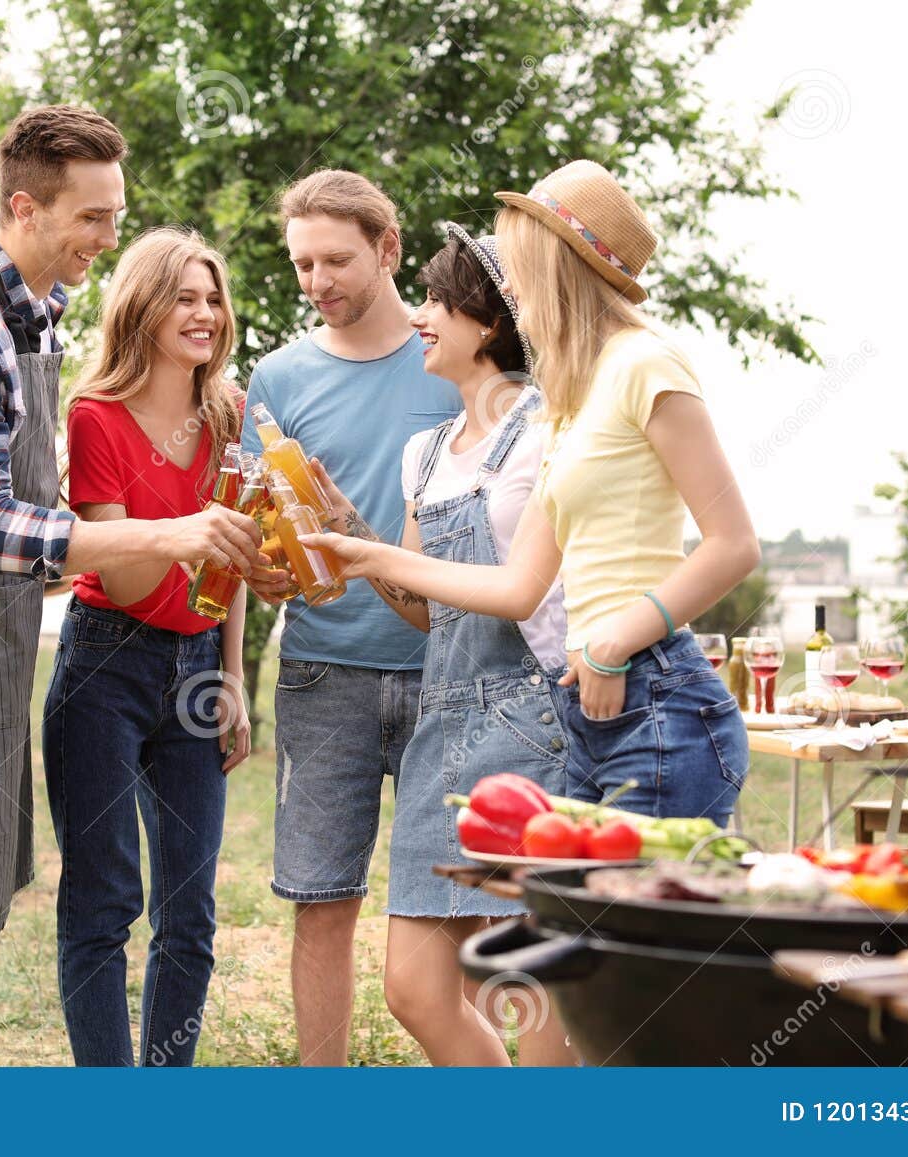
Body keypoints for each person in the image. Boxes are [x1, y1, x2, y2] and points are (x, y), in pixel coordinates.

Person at [0, 107, 260, 1068]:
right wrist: (170, 532)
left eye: (116, 215)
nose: (109, 239)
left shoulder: (33, 305)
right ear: (24, 208)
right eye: (91, 219)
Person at [307, 160, 759, 825]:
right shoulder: (572, 399)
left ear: (555, 265)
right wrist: (368, 554)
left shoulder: (645, 362)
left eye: (518, 263)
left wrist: (611, 642)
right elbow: (517, 587)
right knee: (566, 893)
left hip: (658, 699)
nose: (509, 284)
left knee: (634, 898)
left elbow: (733, 544)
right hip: (586, 708)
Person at [310, 225, 574, 1065]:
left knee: (531, 987)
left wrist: (375, 555)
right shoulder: (422, 456)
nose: (419, 317)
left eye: (435, 300)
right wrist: (349, 531)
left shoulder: (549, 432)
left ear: (488, 321)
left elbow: (519, 590)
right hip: (444, 725)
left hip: (533, 724)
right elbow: (427, 609)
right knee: (416, 987)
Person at [238, 170, 460, 1065]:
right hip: (323, 674)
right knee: (321, 903)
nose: (316, 281)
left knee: (463, 907)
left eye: (335, 259)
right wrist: (265, 568)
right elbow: (266, 523)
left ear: (388, 249)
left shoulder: (452, 359)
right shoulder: (279, 376)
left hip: (450, 673)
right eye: (302, 264)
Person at [41, 227, 251, 1066]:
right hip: (106, 665)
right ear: (144, 308)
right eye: (184, 298)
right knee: (103, 903)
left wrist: (232, 675)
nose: (205, 314)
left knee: (189, 912)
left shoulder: (230, 415)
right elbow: (125, 580)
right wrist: (186, 532)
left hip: (198, 663)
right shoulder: (95, 416)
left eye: (213, 298)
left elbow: (234, 558)